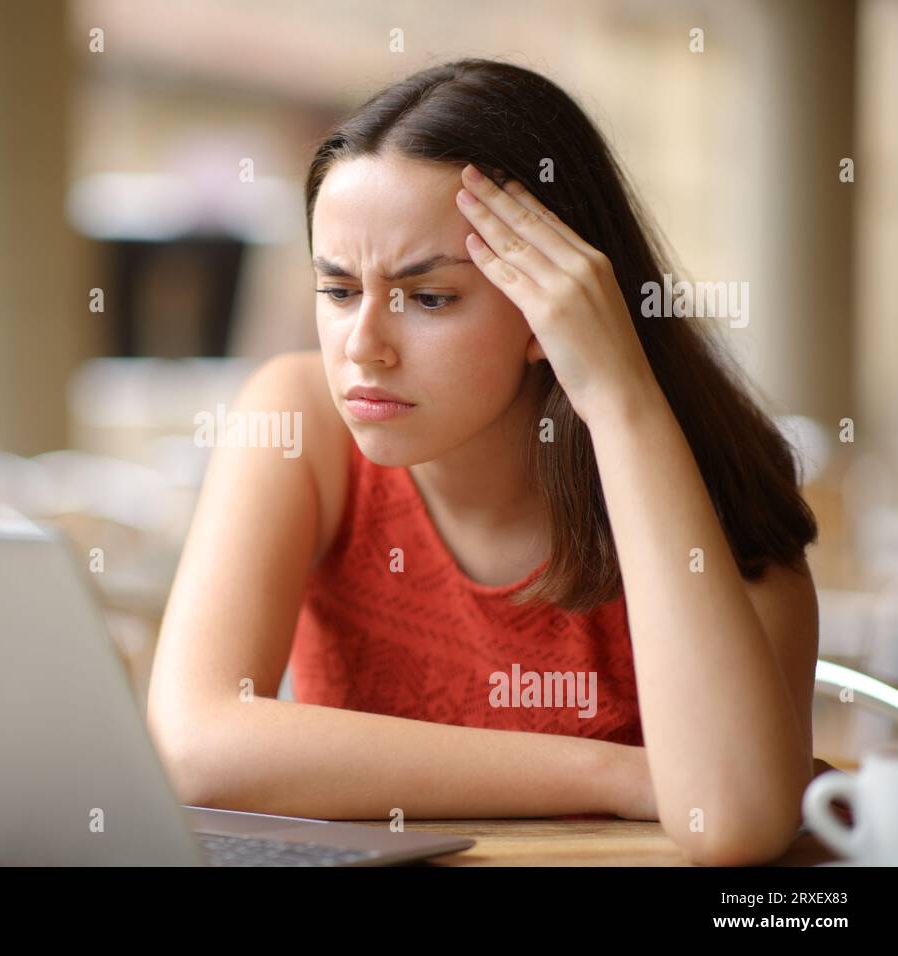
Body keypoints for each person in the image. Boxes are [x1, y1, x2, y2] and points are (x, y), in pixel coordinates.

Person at [147, 58, 820, 866]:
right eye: (338, 291)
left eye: (429, 298)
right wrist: (616, 775)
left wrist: (618, 396)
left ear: (556, 308)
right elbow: (193, 747)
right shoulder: (301, 422)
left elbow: (733, 818)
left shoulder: (709, 481)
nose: (364, 348)